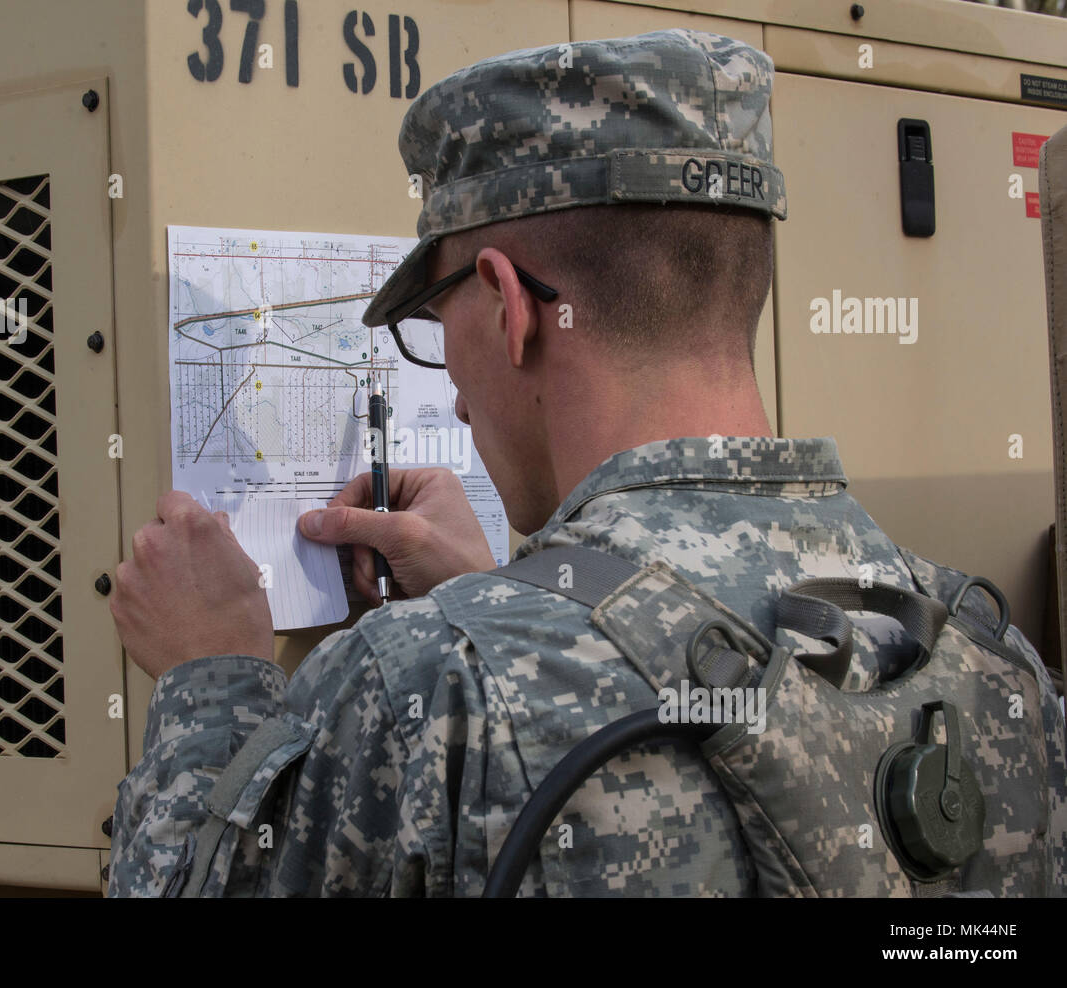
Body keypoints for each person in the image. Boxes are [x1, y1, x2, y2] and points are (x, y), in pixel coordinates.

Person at [107, 29, 1065, 896]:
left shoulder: (424, 692)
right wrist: (511, 590)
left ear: (508, 303)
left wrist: (210, 681)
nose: (453, 392)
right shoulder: (989, 660)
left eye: (438, 326)